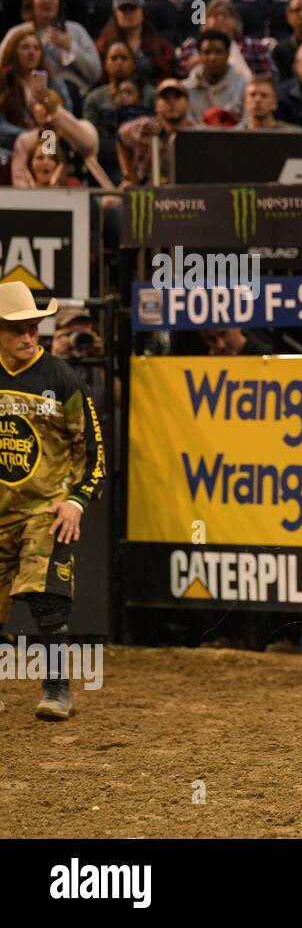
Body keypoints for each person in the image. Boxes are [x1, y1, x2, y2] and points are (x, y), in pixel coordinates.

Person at [0, 282, 105, 720]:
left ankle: (57, 688)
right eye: (18, 329)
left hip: (46, 508)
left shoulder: (61, 378)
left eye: (34, 327)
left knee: (49, 600)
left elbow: (94, 451)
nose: (29, 337)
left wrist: (76, 500)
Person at [0, 0, 101, 98]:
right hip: (23, 89)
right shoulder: (18, 32)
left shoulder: (76, 30)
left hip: (72, 90)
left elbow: (95, 74)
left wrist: (71, 46)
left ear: (59, 3)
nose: (47, 0)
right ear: (32, 2)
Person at [0, 24, 75, 155]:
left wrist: (45, 134)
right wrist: (33, 136)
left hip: (50, 141)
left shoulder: (54, 83)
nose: (31, 52)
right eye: (25, 47)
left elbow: (68, 117)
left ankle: (49, 164)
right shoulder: (3, 82)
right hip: (14, 145)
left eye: (36, 48)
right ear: (13, 52)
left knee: (50, 148)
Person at [115, 76, 195, 184]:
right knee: (109, 201)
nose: (171, 102)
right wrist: (129, 175)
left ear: (188, 104)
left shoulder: (196, 134)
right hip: (149, 192)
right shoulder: (144, 128)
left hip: (187, 193)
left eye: (177, 97)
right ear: (157, 105)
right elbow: (120, 136)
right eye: (165, 98)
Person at [177, 0, 276, 82]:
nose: (220, 19)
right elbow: (180, 73)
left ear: (236, 22)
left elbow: (271, 75)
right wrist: (202, 59)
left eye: (225, 15)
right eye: (215, 15)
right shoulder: (192, 45)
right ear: (205, 22)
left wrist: (252, 81)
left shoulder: (254, 45)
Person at [95, 0, 176, 84]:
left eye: (133, 8)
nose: (128, 14)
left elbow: (167, 74)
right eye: (123, 9)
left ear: (142, 12)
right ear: (116, 14)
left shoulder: (161, 46)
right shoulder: (103, 45)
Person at [83, 41, 155, 133]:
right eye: (114, 58)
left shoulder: (151, 94)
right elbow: (90, 134)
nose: (119, 62)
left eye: (124, 58)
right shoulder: (94, 98)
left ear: (133, 64)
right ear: (105, 65)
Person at [183, 29, 247, 123]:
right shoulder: (185, 88)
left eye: (218, 52)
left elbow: (248, 123)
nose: (212, 58)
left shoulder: (244, 84)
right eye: (207, 52)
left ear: (228, 54)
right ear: (199, 55)